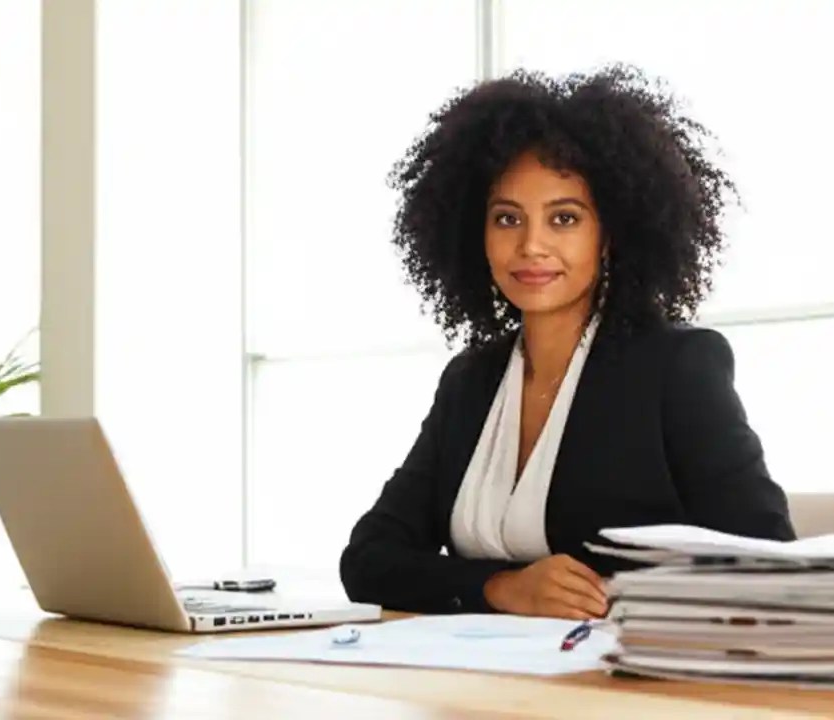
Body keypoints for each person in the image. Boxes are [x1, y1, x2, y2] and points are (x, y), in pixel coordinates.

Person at [339, 64, 795, 621]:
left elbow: (765, 554)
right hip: (472, 691)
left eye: (564, 218)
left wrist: (606, 597)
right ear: (473, 232)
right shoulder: (471, 383)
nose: (531, 245)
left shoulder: (676, 369)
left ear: (610, 235)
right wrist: (501, 588)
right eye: (507, 219)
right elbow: (368, 561)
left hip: (619, 687)